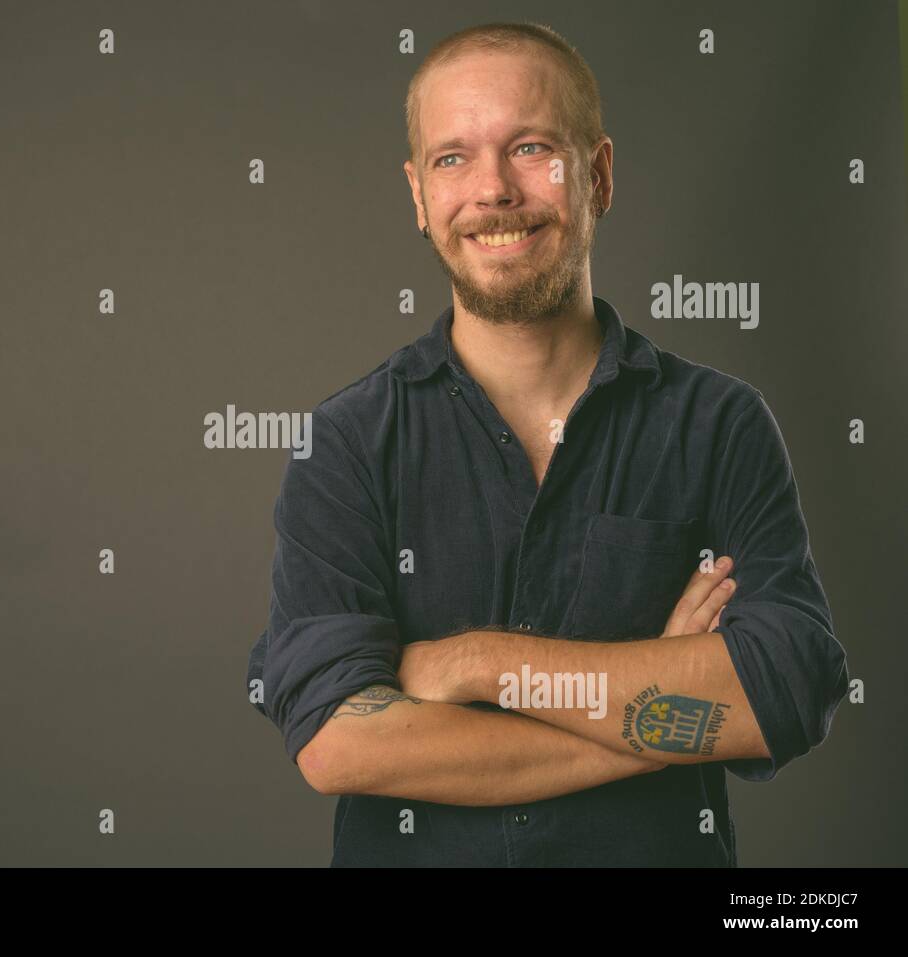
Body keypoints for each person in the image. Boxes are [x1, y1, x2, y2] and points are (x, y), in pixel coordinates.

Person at [245, 21, 847, 866]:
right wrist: (659, 711)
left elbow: (781, 693)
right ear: (419, 195)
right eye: (453, 158)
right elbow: (342, 742)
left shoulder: (720, 424)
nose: (492, 190)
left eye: (530, 147)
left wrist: (481, 662)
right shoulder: (344, 444)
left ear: (596, 176)